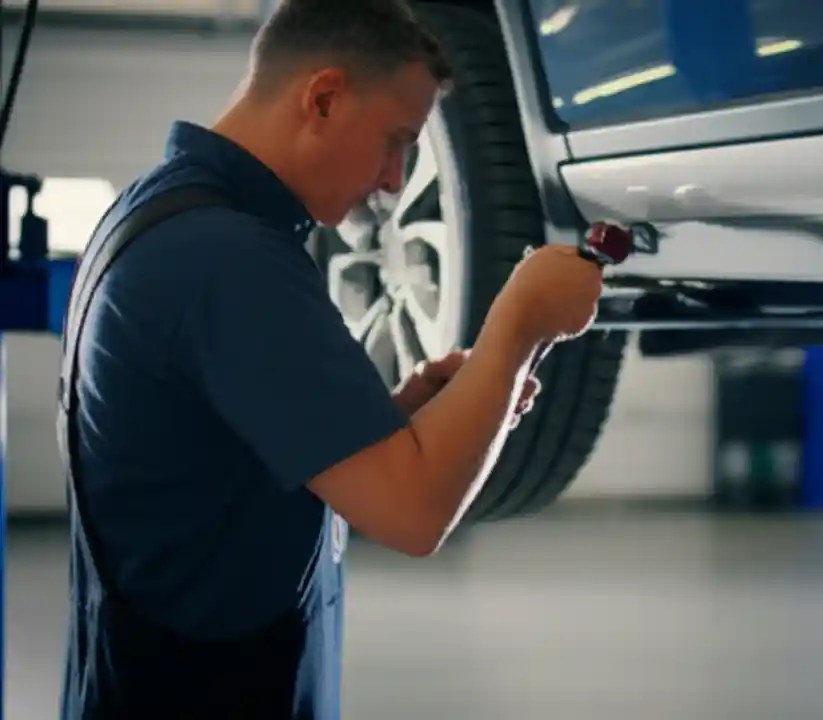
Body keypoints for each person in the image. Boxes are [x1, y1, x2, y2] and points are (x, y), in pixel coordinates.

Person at [57, 1, 603, 717]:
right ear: (323, 98)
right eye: (395, 141)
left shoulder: (166, 213)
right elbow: (413, 515)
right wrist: (518, 327)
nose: (393, 180)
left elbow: (221, 451)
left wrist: (391, 419)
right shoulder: (227, 260)